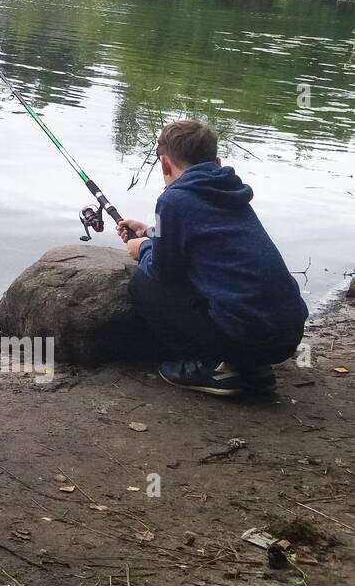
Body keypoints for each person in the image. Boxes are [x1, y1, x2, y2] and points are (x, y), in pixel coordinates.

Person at [116, 120, 307, 396]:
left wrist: (142, 248)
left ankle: (215, 367)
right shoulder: (229, 190)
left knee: (143, 285)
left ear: (164, 164)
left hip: (248, 338)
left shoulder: (172, 200)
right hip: (287, 336)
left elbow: (163, 272)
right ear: (216, 162)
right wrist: (151, 233)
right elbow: (207, 235)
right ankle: (251, 367)